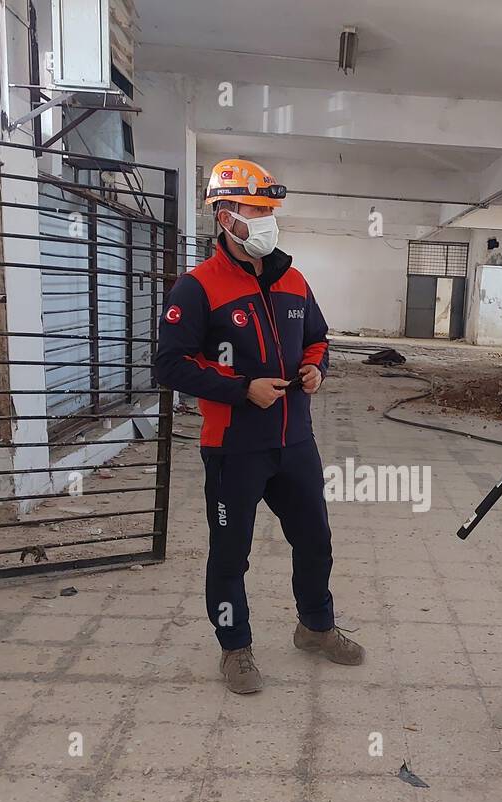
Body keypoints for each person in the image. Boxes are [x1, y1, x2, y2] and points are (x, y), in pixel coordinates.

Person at [153, 158, 364, 693]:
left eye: (271, 210)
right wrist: (240, 388)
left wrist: (316, 366)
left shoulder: (293, 279)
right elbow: (170, 365)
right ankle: (235, 648)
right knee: (230, 554)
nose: (268, 220)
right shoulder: (196, 288)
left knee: (315, 540)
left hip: (296, 442)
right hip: (234, 448)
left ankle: (316, 627)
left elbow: (319, 337)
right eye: (255, 210)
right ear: (224, 217)